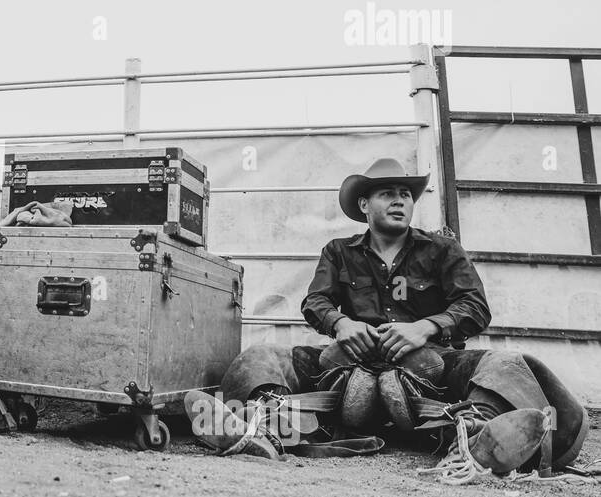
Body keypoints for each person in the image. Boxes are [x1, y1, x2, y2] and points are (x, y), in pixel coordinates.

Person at [190, 157, 588, 472]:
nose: (400, 200)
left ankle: (479, 437)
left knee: (506, 364)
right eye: (387, 193)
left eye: (405, 194)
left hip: (434, 365)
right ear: (364, 204)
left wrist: (427, 327)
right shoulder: (338, 251)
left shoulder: (443, 250)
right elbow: (315, 302)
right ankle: (263, 427)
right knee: (261, 357)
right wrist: (341, 323)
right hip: (347, 364)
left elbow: (475, 307)